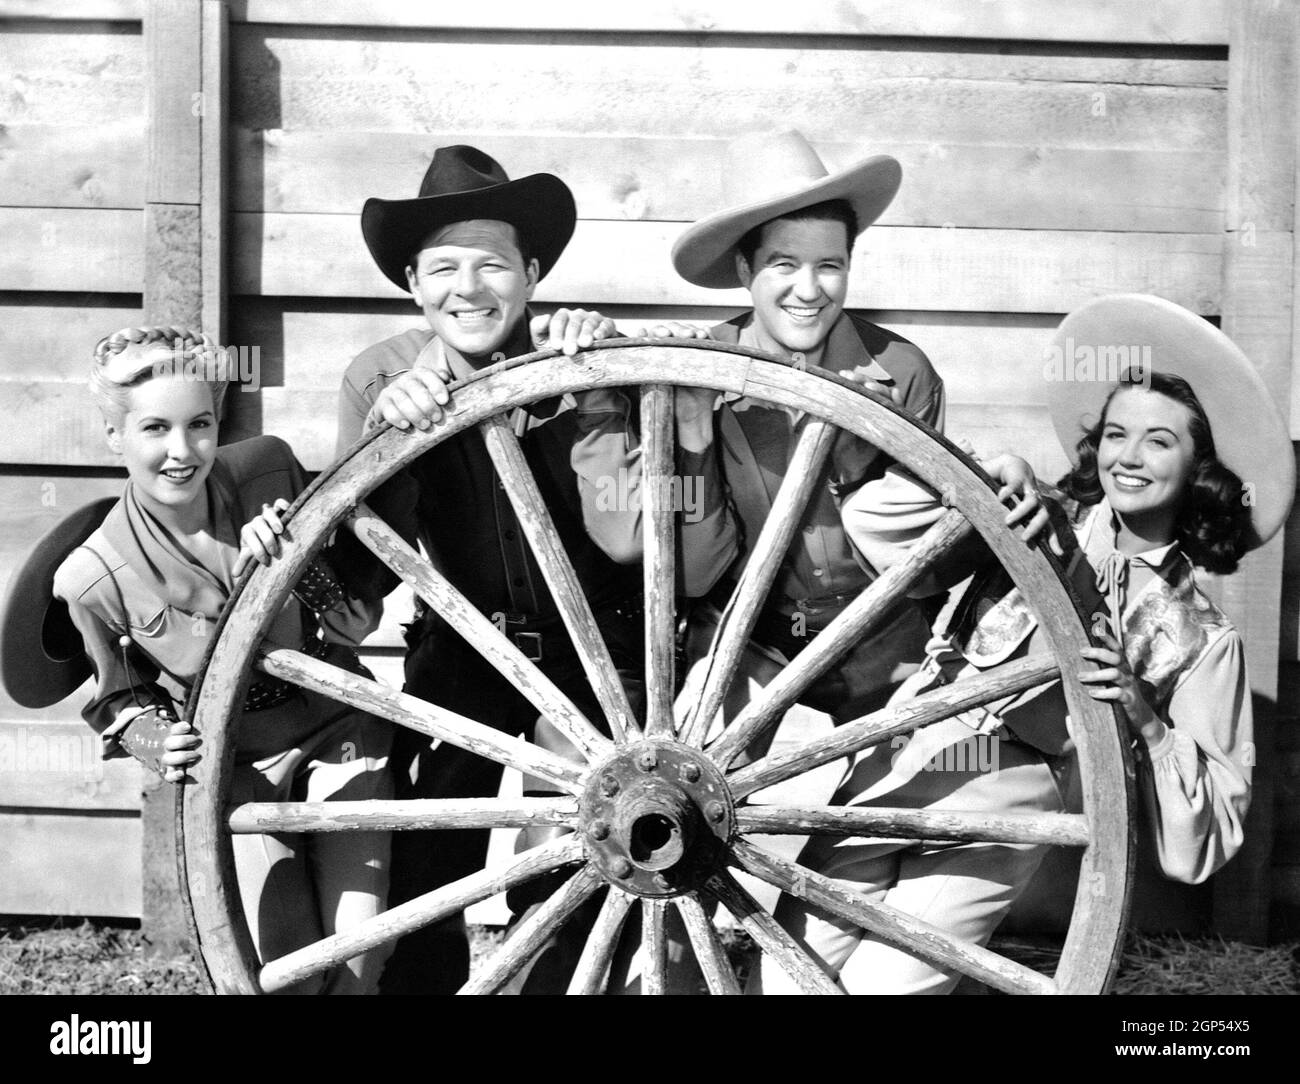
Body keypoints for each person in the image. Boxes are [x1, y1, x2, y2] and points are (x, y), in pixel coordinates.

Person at [760, 293, 1292, 993]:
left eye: (1159, 442)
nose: (1127, 459)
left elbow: (1211, 832)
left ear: (1200, 470)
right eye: (1114, 434)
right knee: (786, 969)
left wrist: (1146, 720)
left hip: (1008, 794)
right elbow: (877, 527)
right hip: (904, 749)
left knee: (883, 987)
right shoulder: (1036, 509)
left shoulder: (1202, 638)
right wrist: (980, 483)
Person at [336, 144, 646, 993]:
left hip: (598, 651)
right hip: (467, 641)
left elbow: (629, 538)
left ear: (533, 272)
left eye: (492, 264)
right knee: (431, 836)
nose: (467, 289)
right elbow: (359, 563)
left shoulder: (586, 358)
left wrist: (598, 389)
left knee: (592, 837)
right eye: (442, 267)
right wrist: (385, 438)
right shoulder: (378, 378)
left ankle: (557, 979)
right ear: (411, 281)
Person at [665, 129, 1045, 740]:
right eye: (783, 265)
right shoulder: (697, 370)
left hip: (879, 632)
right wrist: (693, 430)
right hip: (745, 630)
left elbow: (918, 553)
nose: (809, 290)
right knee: (685, 782)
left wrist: (990, 474)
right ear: (744, 267)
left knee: (920, 793)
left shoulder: (901, 369)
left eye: (829, 266)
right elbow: (694, 572)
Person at [53, 325, 393, 995]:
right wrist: (161, 740)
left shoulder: (269, 468)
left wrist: (293, 560)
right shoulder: (91, 579)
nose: (182, 452)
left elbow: (356, 621)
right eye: (155, 429)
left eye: (200, 424)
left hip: (340, 733)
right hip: (238, 769)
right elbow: (118, 703)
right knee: (289, 971)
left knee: (359, 963)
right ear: (114, 436)